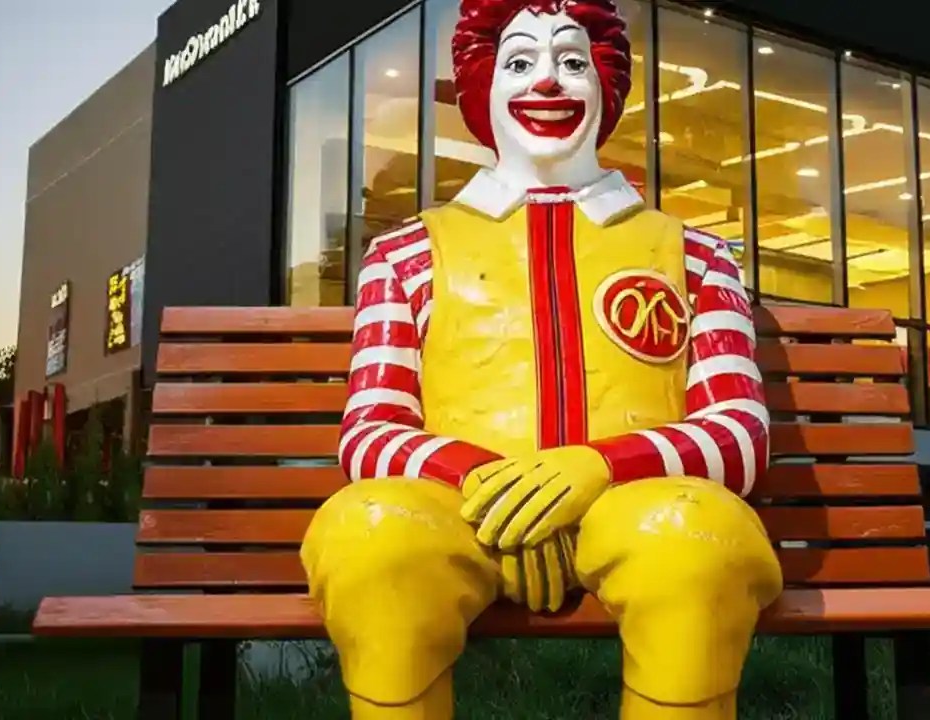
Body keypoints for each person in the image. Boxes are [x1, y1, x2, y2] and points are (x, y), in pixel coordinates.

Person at [299, 1, 782, 717]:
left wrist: (596, 468)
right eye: (521, 62)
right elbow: (370, 430)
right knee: (368, 535)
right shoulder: (404, 254)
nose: (548, 83)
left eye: (573, 61)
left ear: (605, 86)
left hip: (640, 505)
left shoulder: (694, 255)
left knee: (700, 541)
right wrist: (493, 488)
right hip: (451, 510)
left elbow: (737, 429)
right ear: (483, 86)